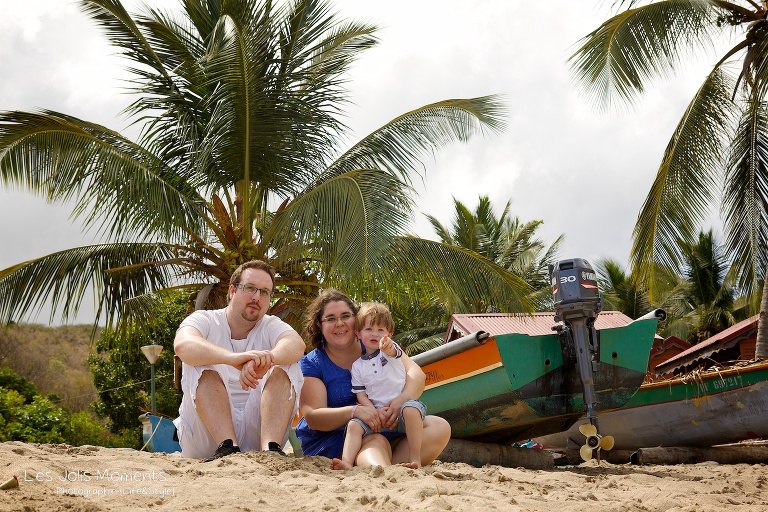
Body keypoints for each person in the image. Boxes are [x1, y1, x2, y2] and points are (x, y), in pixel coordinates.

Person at [295, 289, 450, 468]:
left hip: (388, 428)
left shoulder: (378, 343)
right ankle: (381, 471)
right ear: (319, 326)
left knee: (439, 426)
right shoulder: (313, 363)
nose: (339, 323)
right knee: (376, 441)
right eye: (330, 318)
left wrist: (401, 400)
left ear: (357, 320)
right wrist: (355, 411)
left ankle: (396, 468)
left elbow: (417, 375)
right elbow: (313, 416)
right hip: (342, 439)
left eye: (346, 316)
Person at [173, 260, 305, 460]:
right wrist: (233, 359)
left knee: (287, 363)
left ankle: (271, 451)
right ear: (233, 290)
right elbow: (183, 345)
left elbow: (296, 345)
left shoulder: (270, 325)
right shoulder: (205, 320)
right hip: (205, 437)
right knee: (197, 361)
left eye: (264, 292)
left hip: (257, 431)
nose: (256, 297)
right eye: (250, 288)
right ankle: (227, 445)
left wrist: (266, 360)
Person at [332, 301, 426, 470]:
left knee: (412, 409)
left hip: (401, 409)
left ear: (389, 333)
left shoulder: (390, 351)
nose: (375, 333)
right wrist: (373, 412)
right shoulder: (358, 366)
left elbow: (393, 351)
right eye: (368, 329)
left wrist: (388, 347)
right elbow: (361, 395)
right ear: (358, 333)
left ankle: (415, 458)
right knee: (354, 425)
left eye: (380, 330)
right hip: (377, 417)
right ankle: (346, 461)